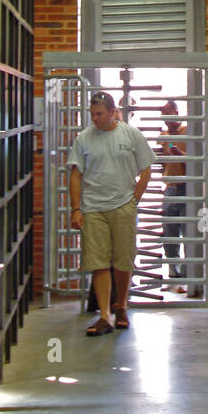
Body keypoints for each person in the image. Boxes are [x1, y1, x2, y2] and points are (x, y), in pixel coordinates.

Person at [68, 91, 157, 335]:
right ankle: (104, 315)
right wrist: (76, 208)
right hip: (93, 208)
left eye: (99, 114)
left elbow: (146, 169)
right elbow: (75, 174)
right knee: (98, 262)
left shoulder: (131, 134)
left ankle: (121, 306)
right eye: (92, 114)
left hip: (122, 207)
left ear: (112, 111)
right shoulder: (84, 138)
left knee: (122, 261)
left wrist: (133, 201)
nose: (94, 118)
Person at [157, 100, 189, 293]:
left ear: (177, 112)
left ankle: (186, 278)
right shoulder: (164, 135)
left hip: (188, 187)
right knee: (169, 233)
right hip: (170, 187)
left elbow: (196, 157)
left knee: (188, 232)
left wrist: (181, 153)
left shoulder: (188, 130)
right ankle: (173, 275)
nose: (166, 120)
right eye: (164, 116)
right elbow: (161, 156)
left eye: (169, 114)